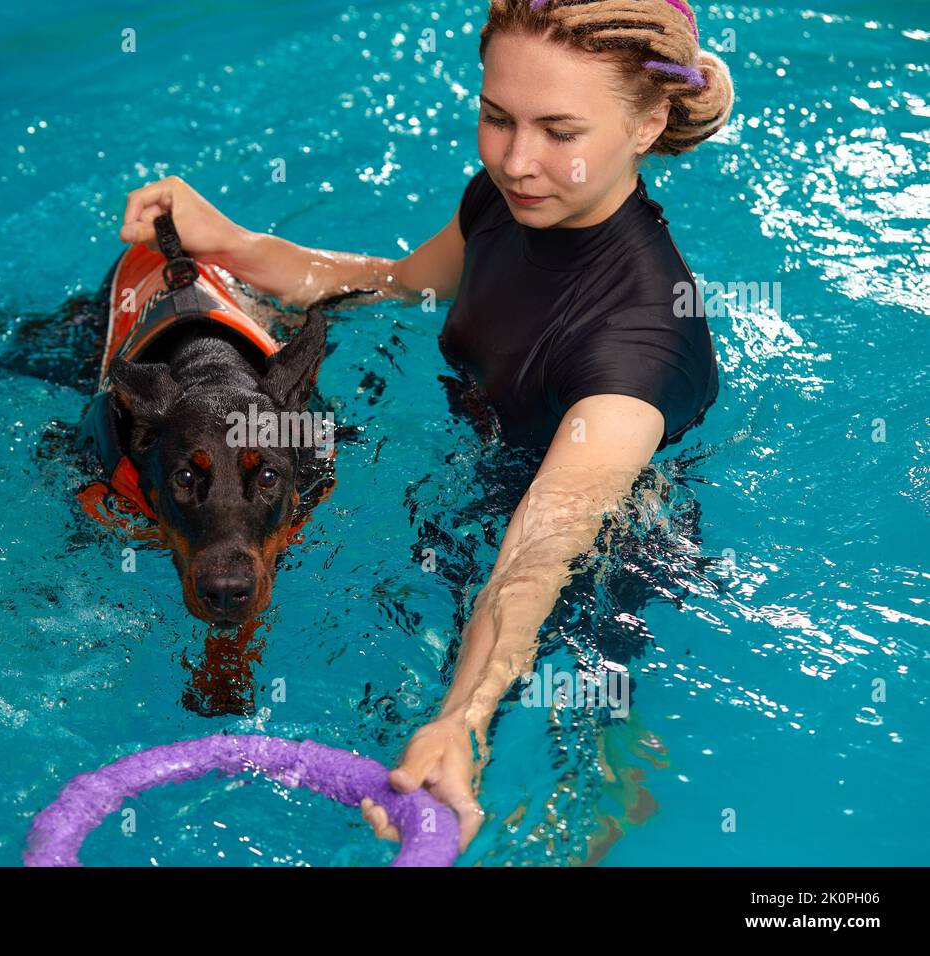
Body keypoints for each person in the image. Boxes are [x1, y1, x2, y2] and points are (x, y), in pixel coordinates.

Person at [116, 0, 734, 852]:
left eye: (560, 131)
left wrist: (465, 720)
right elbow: (395, 284)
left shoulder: (638, 342)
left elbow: (539, 554)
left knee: (555, 810)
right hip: (474, 490)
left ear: (649, 120)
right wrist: (236, 244)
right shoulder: (507, 203)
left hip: (595, 566)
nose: (518, 160)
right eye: (496, 118)